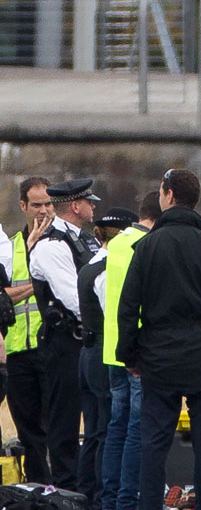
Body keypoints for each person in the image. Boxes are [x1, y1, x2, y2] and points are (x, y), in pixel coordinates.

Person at [117, 168, 201, 510]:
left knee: (153, 447)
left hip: (158, 358)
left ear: (169, 195)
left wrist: (130, 355)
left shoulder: (146, 248)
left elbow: (128, 308)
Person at [30, 178, 103, 490]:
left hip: (87, 341)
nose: (94, 207)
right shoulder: (51, 246)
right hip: (64, 341)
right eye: (89, 202)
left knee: (95, 417)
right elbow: (75, 298)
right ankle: (64, 488)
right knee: (65, 420)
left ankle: (87, 487)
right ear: (75, 206)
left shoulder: (88, 241)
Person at [102, 191, 160, 510]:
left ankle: (110, 499)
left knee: (117, 425)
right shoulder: (146, 245)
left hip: (114, 349)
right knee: (138, 427)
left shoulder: (117, 243)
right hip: (138, 351)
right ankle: (128, 499)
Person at [78, 207, 137, 510]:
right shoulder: (107, 269)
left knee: (95, 431)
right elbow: (112, 312)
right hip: (104, 355)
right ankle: (100, 497)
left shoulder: (91, 264)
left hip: (88, 352)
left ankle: (87, 493)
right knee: (106, 431)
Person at [3, 176, 54, 483]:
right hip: (18, 352)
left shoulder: (65, 243)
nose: (43, 211)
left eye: (49, 204)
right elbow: (1, 294)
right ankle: (39, 489)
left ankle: (60, 489)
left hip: (51, 349)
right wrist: (39, 283)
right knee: (29, 433)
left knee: (56, 428)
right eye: (36, 204)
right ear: (23, 206)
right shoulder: (10, 249)